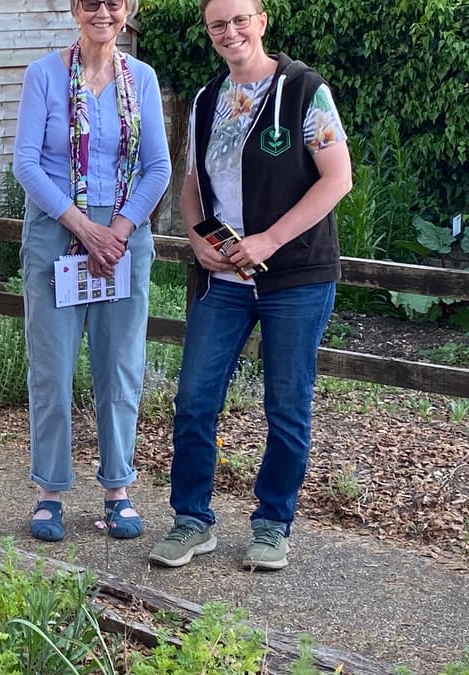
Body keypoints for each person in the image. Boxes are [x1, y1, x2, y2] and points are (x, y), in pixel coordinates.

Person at [148, 0, 351, 570]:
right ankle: (192, 519)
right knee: (193, 399)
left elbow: (338, 179)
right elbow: (192, 184)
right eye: (218, 24)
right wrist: (196, 239)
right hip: (225, 279)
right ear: (209, 33)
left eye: (241, 19)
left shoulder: (306, 90)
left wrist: (267, 241)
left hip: (295, 276)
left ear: (262, 21)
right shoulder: (207, 100)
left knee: (286, 404)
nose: (230, 31)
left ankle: (271, 524)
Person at [13, 0, 171, 543]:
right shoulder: (43, 75)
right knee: (52, 367)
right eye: (90, 1)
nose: (103, 11)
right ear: (76, 9)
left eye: (115, 1)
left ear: (128, 10)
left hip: (124, 237)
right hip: (58, 230)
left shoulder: (142, 78)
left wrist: (119, 231)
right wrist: (85, 228)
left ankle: (118, 489)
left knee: (120, 366)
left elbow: (159, 166)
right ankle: (50, 491)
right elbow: (26, 164)